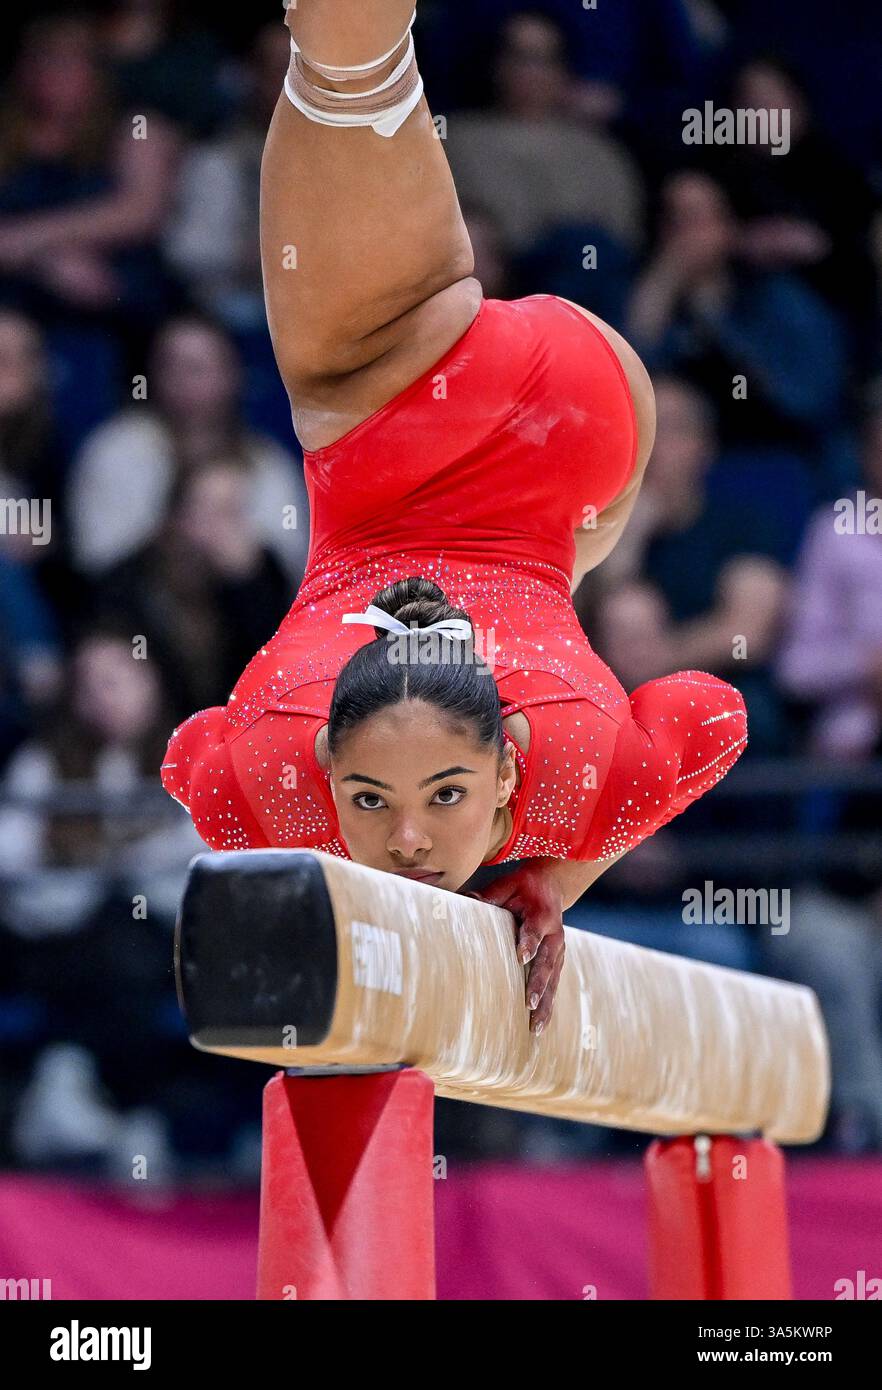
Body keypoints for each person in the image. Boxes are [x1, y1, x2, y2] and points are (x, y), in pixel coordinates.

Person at [162, 1, 747, 1034]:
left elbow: (703, 716)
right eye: (437, 793)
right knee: (347, 63)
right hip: (478, 438)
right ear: (511, 757)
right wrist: (551, 881)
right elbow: (194, 750)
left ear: (324, 772)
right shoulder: (559, 782)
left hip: (551, 430)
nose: (410, 845)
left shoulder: (292, 792)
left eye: (381, 799)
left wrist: (560, 873)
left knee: (348, 57)